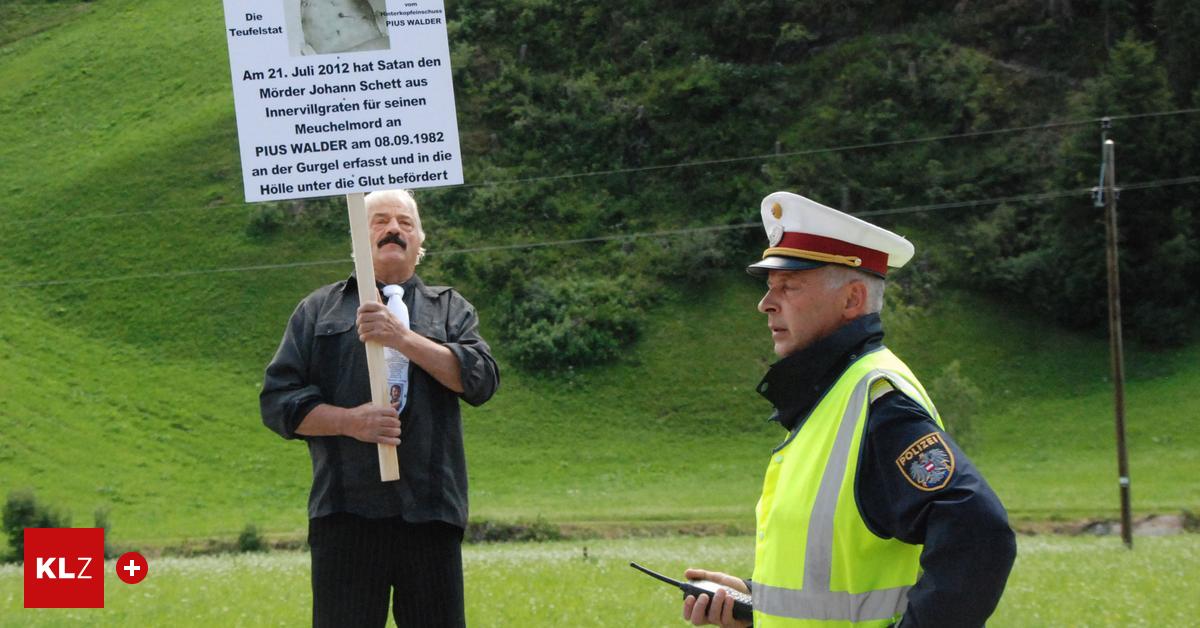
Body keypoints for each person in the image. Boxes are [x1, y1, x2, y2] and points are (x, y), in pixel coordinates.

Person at [683, 192, 1015, 628]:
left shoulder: (878, 400)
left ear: (852, 300)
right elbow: (836, 574)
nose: (766, 303)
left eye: (789, 286)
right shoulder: (829, 395)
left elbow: (980, 533)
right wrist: (758, 603)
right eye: (769, 286)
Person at [260, 188, 499, 627]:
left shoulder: (450, 309)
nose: (393, 229)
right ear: (357, 235)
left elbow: (481, 380)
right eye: (380, 221)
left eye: (405, 223)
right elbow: (278, 402)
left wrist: (401, 338)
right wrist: (351, 422)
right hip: (346, 512)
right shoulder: (318, 310)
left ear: (420, 241)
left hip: (431, 510)